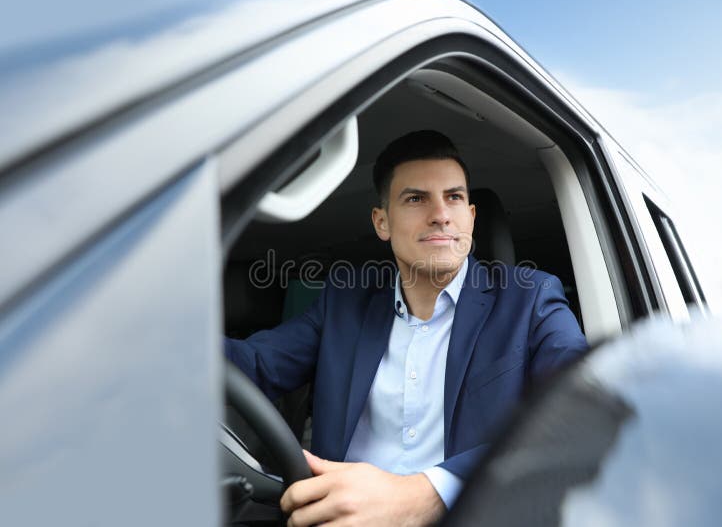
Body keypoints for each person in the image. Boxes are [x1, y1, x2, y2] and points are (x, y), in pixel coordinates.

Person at [225, 130, 589, 526]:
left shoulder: (530, 300)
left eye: (453, 197)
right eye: (416, 199)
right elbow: (250, 365)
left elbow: (582, 412)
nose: (440, 214)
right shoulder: (344, 305)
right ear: (382, 222)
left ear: (470, 216)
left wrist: (427, 494)